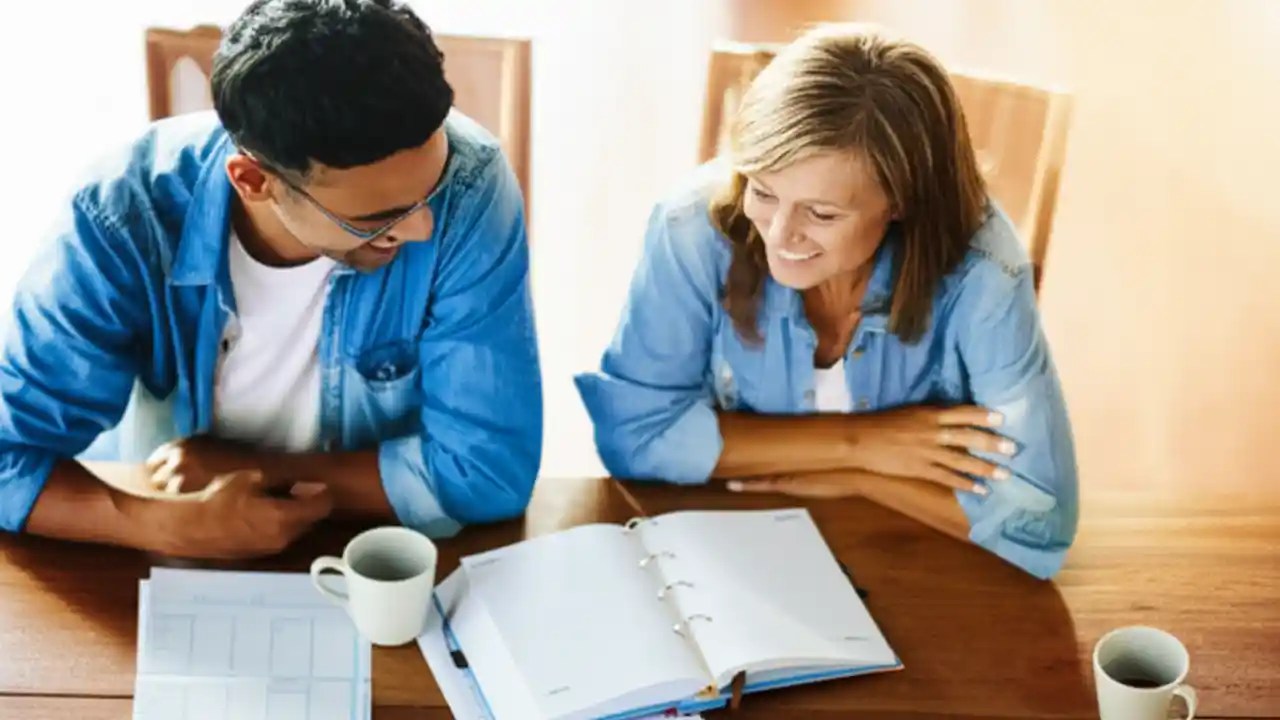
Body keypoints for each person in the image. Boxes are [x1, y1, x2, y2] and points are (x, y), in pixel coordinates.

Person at [0, 0, 541, 559]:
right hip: (181, 544)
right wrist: (162, 526)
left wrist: (259, 466)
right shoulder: (119, 218)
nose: (425, 229)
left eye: (430, 193)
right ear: (253, 180)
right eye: (378, 220)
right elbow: (7, 457)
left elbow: (489, 471)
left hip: (381, 552)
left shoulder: (471, 183)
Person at [576, 24, 1077, 579]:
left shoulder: (985, 270)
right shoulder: (689, 227)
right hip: (727, 563)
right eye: (763, 191)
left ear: (901, 200)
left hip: (913, 573)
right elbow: (635, 439)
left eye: (822, 213)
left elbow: (1040, 523)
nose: (779, 236)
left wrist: (858, 479)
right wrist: (862, 445)